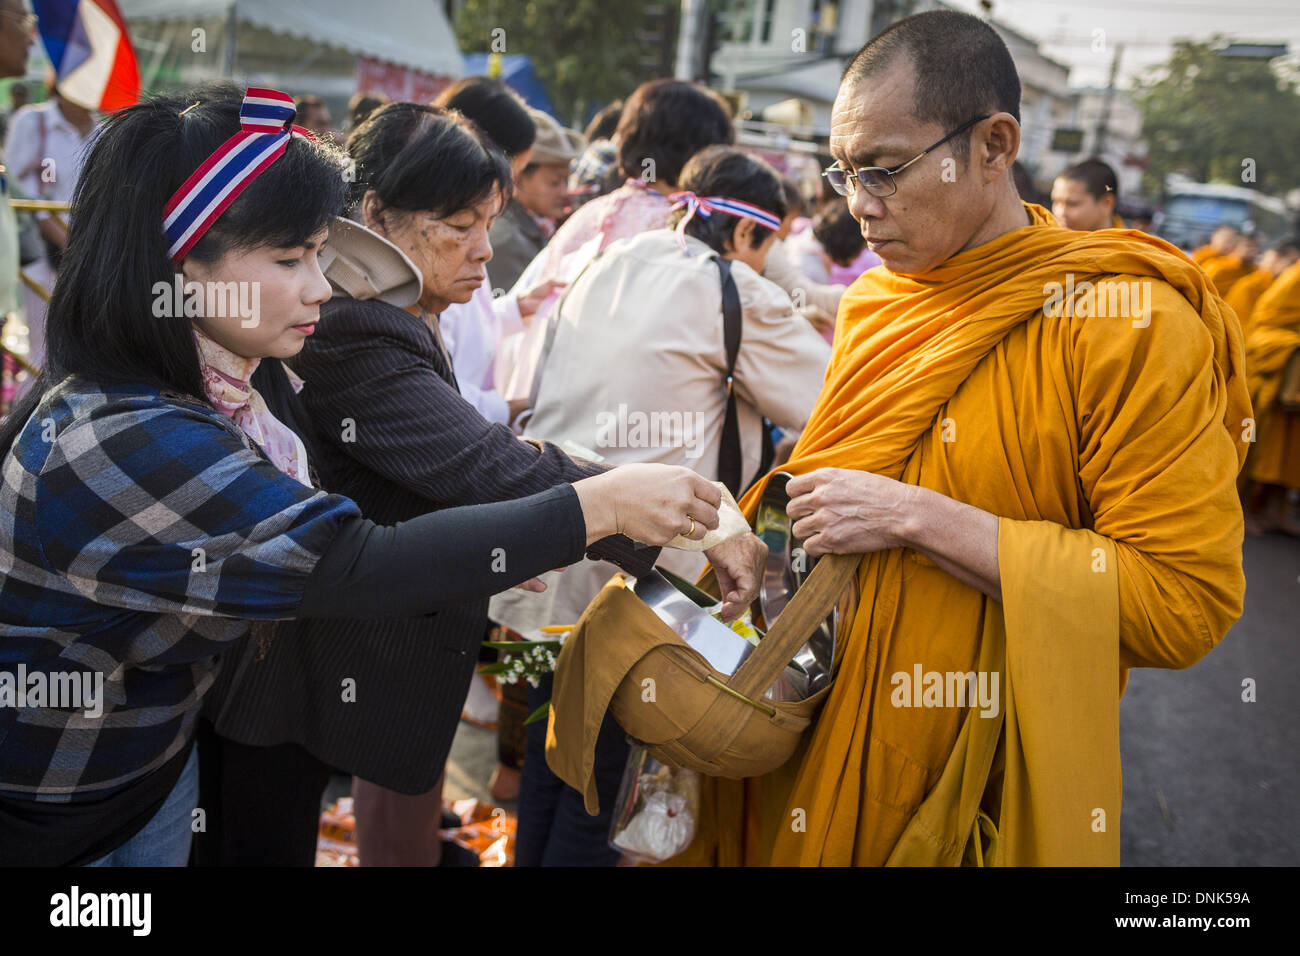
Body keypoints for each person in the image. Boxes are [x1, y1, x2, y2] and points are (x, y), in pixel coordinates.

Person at [0, 85, 719, 867]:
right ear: (179, 264)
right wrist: (599, 504)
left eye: (318, 253)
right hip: (61, 805)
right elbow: (353, 561)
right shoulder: (125, 435)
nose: (318, 286)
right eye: (288, 259)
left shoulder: (223, 379)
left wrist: (514, 537)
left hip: (146, 770)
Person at [676, 9, 1248, 867]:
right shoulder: (878, 305)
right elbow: (844, 498)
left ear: (994, 145)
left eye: (885, 171)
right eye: (844, 175)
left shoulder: (1128, 326)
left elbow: (1183, 602)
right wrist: (767, 549)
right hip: (811, 727)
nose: (859, 208)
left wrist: (920, 520)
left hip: (970, 772)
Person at [194, 101, 767, 867]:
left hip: (394, 628)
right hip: (294, 670)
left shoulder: (419, 301)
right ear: (372, 217)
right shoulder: (353, 322)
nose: (484, 250)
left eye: (487, 224)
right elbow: (484, 464)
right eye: (459, 225)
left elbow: (470, 455)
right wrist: (671, 513)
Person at [491, 146, 831, 865]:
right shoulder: (733, 286)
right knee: (606, 784)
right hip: (644, 583)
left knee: (556, 757)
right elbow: (830, 401)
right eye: (767, 246)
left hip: (546, 552)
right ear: (744, 236)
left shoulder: (608, 261)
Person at [495, 79, 736, 405]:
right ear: (701, 153)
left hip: (548, 396)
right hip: (622, 405)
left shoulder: (592, 212)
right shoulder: (680, 230)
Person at [4, 78, 95, 370]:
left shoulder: (104, 130)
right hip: (43, 254)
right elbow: (17, 187)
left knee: (83, 350)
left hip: (87, 254)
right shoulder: (34, 121)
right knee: (42, 354)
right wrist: (62, 238)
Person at [487, 108, 584, 291]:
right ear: (519, 175)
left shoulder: (539, 228)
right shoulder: (506, 241)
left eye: (567, 180)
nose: (565, 192)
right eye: (555, 183)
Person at [1242, 251, 1300, 535]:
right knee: (1260, 451)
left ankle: (1277, 512)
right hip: (1277, 381)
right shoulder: (1294, 279)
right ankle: (1244, 511)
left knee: (1291, 458)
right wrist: (1294, 346)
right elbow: (1264, 327)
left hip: (1295, 392)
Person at [1226, 236, 1300, 334]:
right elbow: (1240, 331)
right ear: (1276, 258)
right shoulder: (1249, 287)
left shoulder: (1291, 291)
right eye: (1292, 263)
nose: (1292, 271)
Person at [1051, 158, 1120, 231]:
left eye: (1072, 204)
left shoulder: (1126, 241)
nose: (1060, 213)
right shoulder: (1047, 237)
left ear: (1106, 203)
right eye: (1056, 202)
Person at [1203, 232, 1259, 297]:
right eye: (1248, 246)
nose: (1253, 251)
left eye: (1256, 247)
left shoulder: (1255, 271)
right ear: (1236, 247)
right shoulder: (1219, 267)